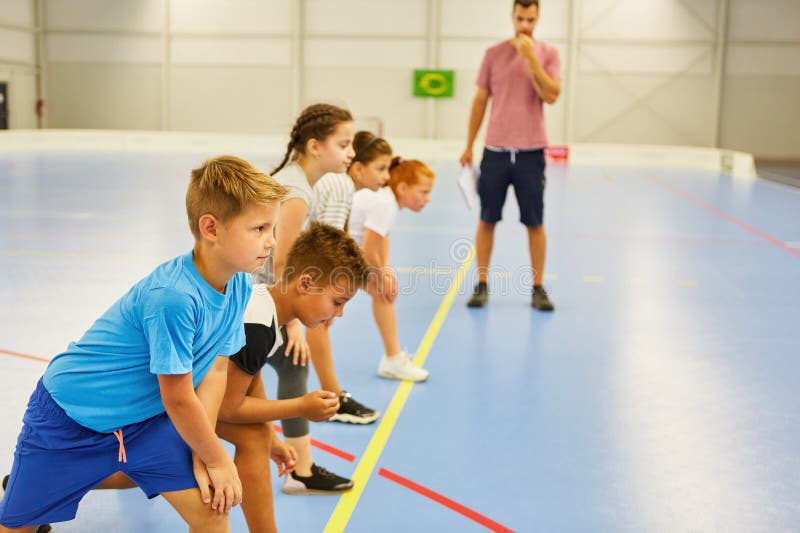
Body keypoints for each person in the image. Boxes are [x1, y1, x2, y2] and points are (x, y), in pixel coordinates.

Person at [0, 156, 287, 532]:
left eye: (273, 228)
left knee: (212, 509)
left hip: (146, 425)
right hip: (70, 420)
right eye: (259, 228)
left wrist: (205, 451)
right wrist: (218, 458)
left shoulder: (239, 284)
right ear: (211, 228)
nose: (272, 240)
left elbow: (217, 369)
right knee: (16, 526)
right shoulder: (174, 297)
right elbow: (178, 397)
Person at [257, 104, 379, 494]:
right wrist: (292, 322)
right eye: (343, 144)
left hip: (257, 299)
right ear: (314, 146)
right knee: (289, 361)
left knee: (293, 368)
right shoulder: (296, 194)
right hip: (252, 303)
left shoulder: (299, 185)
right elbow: (282, 262)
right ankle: (296, 467)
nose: (350, 152)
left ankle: (300, 469)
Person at [459, 0, 561, 310]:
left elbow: (552, 95)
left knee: (535, 222)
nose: (525, 25)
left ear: (538, 18)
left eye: (531, 19)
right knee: (487, 219)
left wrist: (532, 60)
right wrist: (468, 144)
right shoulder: (494, 55)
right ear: (512, 17)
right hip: (496, 152)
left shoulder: (549, 55)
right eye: (520, 18)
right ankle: (482, 283)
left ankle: (538, 287)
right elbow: (480, 100)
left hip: (531, 153)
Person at [307, 131, 402, 420]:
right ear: (358, 168)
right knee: (319, 322)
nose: (387, 177)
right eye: (380, 168)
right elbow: (327, 243)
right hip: (288, 268)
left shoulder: (346, 189)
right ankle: (332, 398)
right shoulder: (340, 187)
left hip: (296, 266)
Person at [348, 158, 435, 382]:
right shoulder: (385, 203)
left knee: (382, 293)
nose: (428, 199)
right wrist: (381, 276)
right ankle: (393, 358)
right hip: (342, 253)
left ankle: (393, 358)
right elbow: (368, 251)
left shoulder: (387, 199)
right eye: (423, 192)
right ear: (403, 188)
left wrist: (385, 269)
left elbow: (382, 236)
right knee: (382, 292)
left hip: (349, 250)